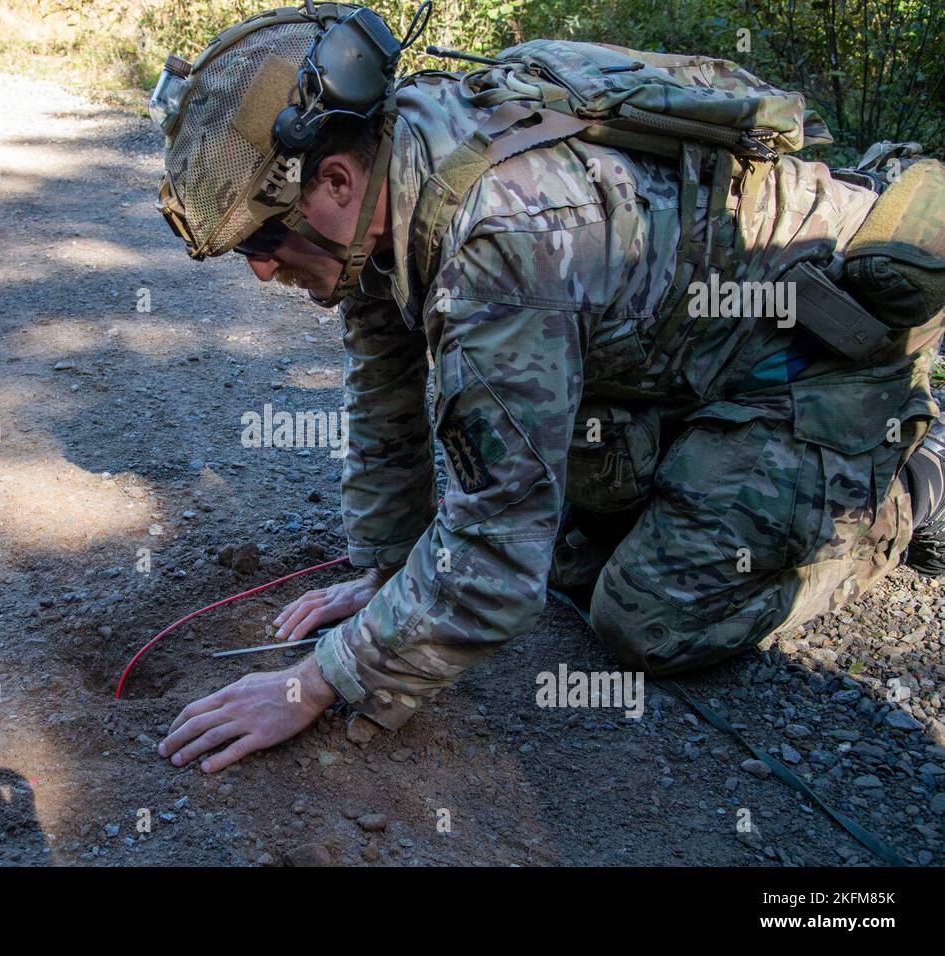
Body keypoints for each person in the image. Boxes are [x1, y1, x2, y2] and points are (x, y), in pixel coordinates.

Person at [148, 2, 945, 773]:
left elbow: (493, 562)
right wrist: (388, 569)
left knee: (645, 617)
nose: (259, 267)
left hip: (811, 351)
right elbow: (384, 394)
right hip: (686, 347)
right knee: (567, 547)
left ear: (334, 179)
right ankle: (709, 468)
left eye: (264, 237)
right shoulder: (390, 168)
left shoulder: (500, 247)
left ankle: (909, 480)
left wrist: (318, 680)